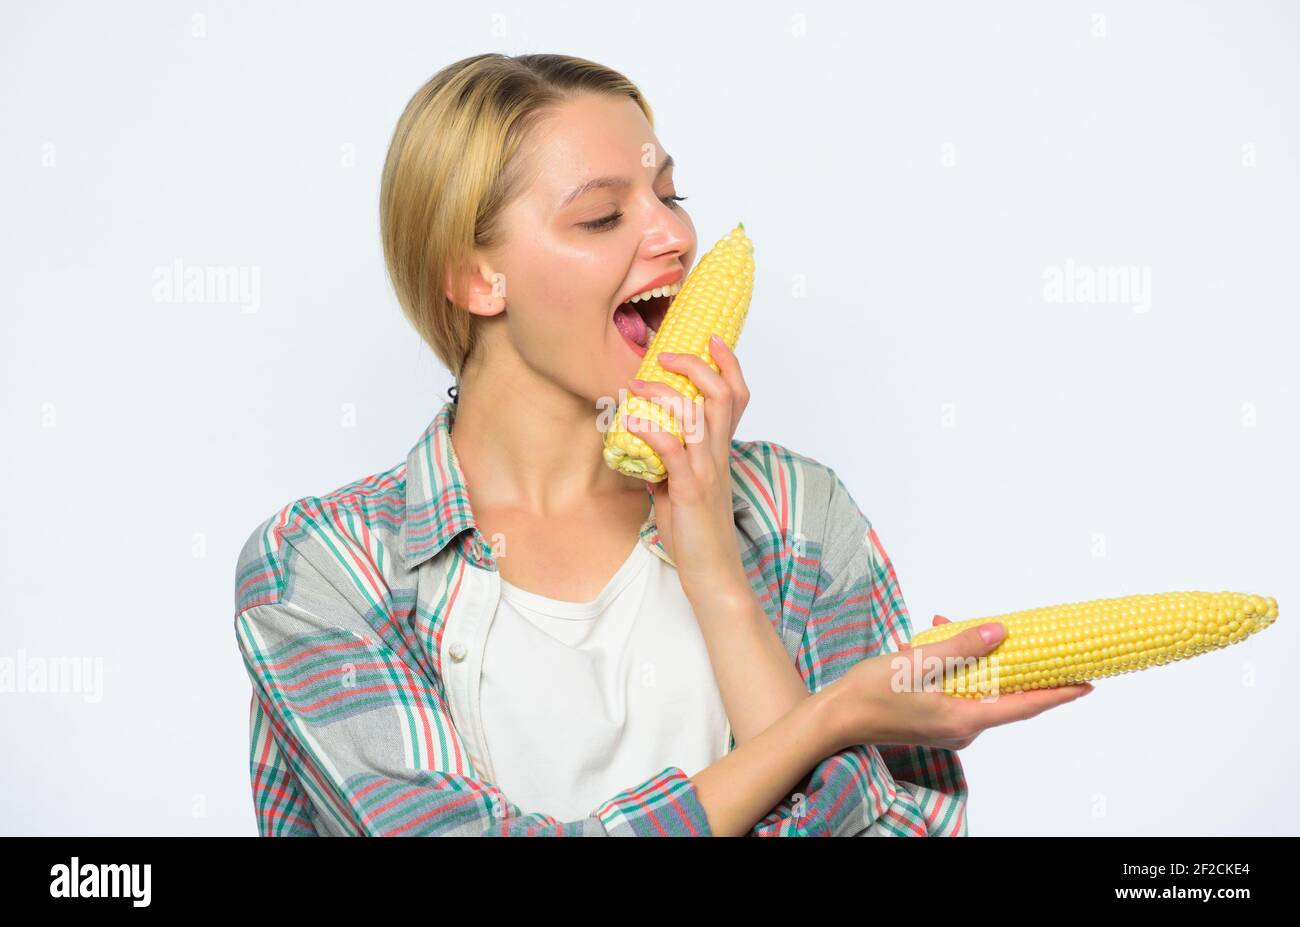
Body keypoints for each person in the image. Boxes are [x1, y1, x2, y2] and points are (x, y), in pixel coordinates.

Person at [232, 52, 1091, 837]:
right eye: (603, 216)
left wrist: (717, 572)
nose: (675, 236)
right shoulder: (325, 567)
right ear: (475, 276)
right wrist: (828, 719)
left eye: (669, 196)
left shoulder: (799, 514)